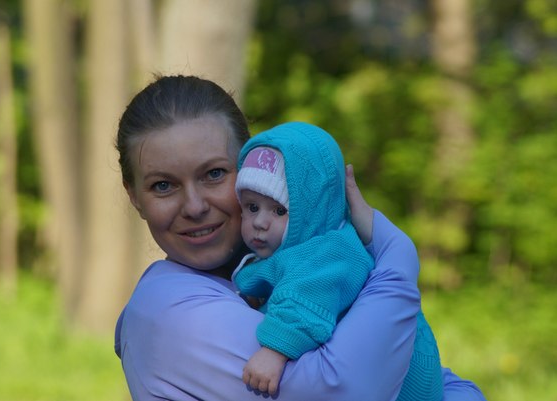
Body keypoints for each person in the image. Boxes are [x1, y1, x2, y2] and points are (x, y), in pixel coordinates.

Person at [114, 74, 486, 401]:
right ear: (134, 197)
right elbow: (341, 391)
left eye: (214, 174)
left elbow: (424, 374)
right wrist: (397, 257)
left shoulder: (280, 265)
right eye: (163, 185)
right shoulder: (168, 310)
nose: (194, 206)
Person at [232, 122, 443, 400]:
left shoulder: (333, 248)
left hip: (405, 384)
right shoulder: (291, 249)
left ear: (313, 209)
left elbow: (305, 298)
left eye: (280, 210)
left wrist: (275, 350)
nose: (259, 222)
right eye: (251, 207)